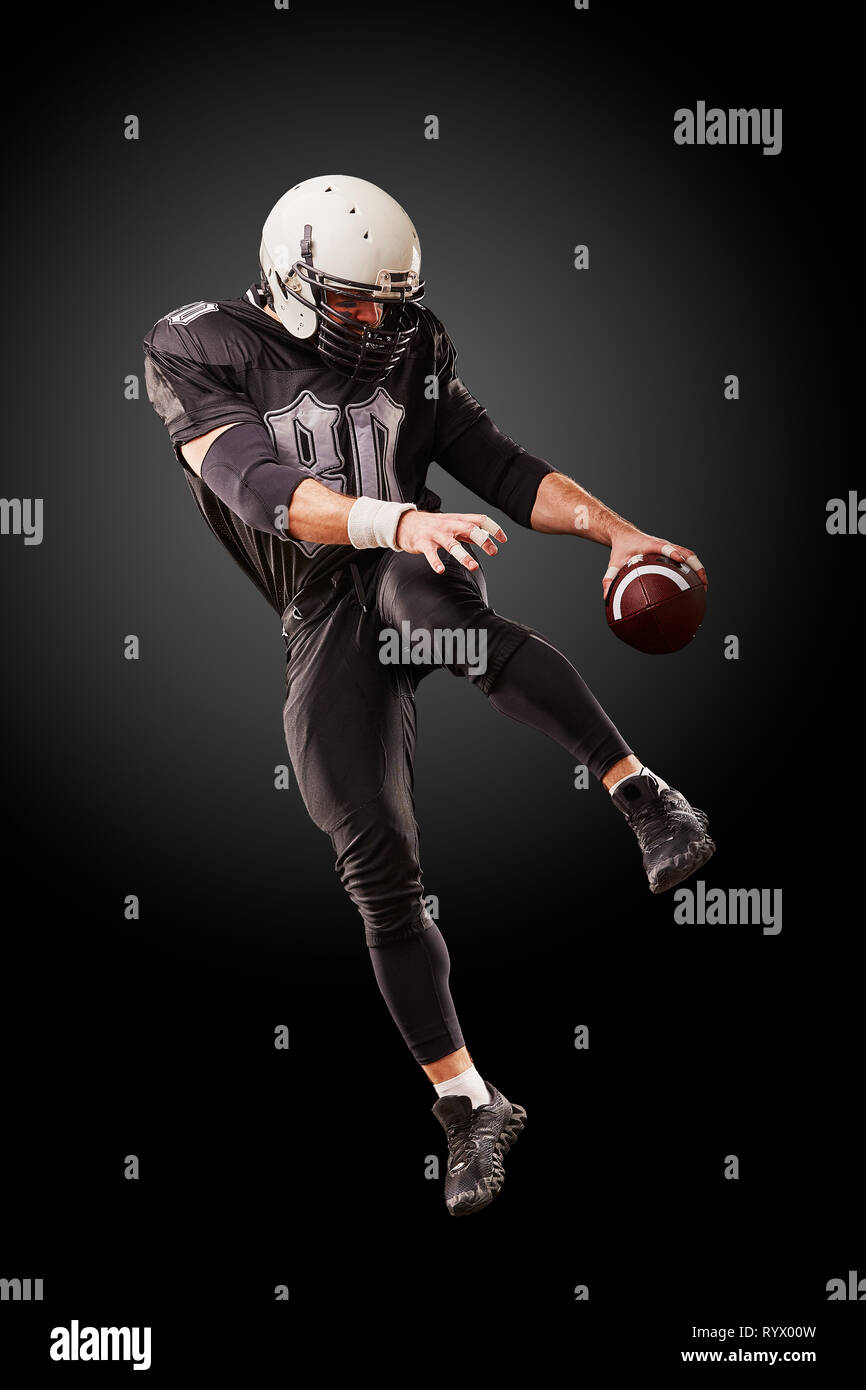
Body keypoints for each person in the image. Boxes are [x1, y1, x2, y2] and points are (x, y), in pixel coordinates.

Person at [143, 174, 715, 1217]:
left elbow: (494, 464)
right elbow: (256, 487)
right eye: (355, 299)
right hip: (320, 597)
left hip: (419, 561)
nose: (377, 320)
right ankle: (469, 1103)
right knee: (366, 848)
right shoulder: (196, 343)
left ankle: (641, 793)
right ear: (288, 277)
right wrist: (391, 521)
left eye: (390, 299)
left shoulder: (414, 341)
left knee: (433, 613)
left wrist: (617, 532)